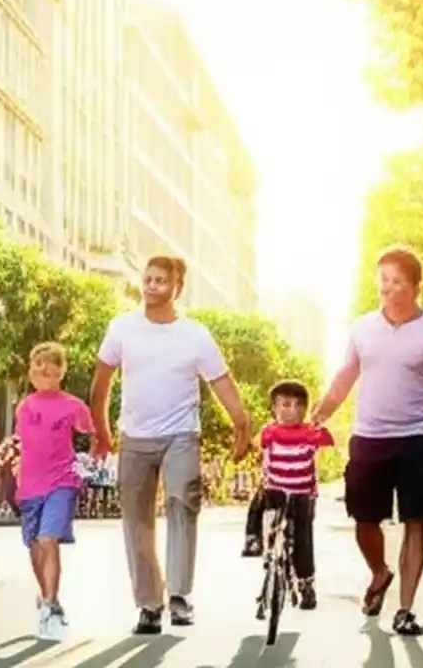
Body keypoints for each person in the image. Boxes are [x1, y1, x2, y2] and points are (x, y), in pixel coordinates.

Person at [310, 247, 423, 636]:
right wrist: (324, 409)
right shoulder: (363, 328)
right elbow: (347, 374)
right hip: (369, 437)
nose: (389, 288)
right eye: (383, 280)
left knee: (416, 520)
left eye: (398, 281)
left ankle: (406, 609)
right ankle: (380, 571)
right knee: (364, 519)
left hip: (417, 438)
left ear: (415, 285)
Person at [90, 255, 251, 635]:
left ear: (177, 288)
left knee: (183, 507)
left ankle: (179, 596)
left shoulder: (194, 335)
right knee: (136, 520)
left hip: (181, 435)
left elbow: (220, 381)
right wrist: (101, 428)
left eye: (161, 280)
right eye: (148, 279)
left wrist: (241, 421)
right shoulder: (122, 328)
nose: (151, 286)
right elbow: (102, 382)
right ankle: (149, 604)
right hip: (135, 436)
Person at [14, 342, 94, 639]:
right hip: (29, 486)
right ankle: (49, 596)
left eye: (51, 365)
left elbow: (93, 436)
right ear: (31, 371)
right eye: (38, 365)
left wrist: (87, 465)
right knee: (34, 546)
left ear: (62, 371)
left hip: (62, 482)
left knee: (49, 540)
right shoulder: (25, 406)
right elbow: (21, 442)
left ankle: (49, 607)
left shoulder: (74, 406)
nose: (44, 370)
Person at [254, 380, 333, 616]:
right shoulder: (269, 431)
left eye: (299, 406)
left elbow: (327, 440)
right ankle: (256, 543)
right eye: (285, 405)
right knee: (260, 510)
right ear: (274, 408)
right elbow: (263, 453)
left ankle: (306, 582)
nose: (292, 411)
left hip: (302, 494)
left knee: (302, 538)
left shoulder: (309, 432)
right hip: (275, 489)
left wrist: (319, 422)